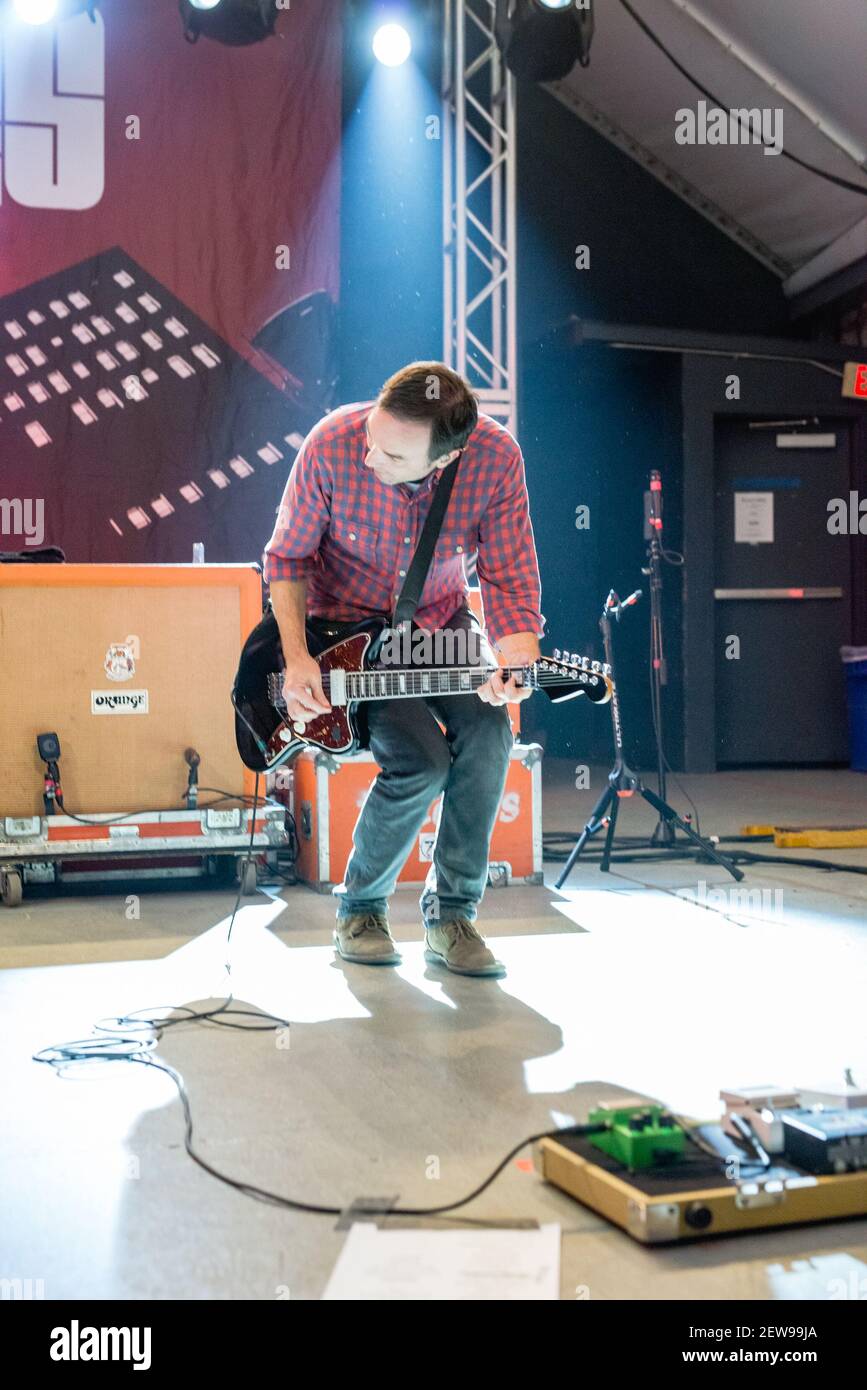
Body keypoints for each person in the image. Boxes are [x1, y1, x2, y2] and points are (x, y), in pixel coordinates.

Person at [263, 361, 543, 977]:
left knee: (491, 734)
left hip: (440, 626)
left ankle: (451, 916)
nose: (369, 458)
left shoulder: (494, 459)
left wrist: (515, 661)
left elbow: (510, 575)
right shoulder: (333, 443)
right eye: (372, 437)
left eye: (390, 455)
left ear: (442, 461)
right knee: (421, 760)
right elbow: (286, 559)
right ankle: (360, 909)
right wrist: (297, 656)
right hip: (343, 635)